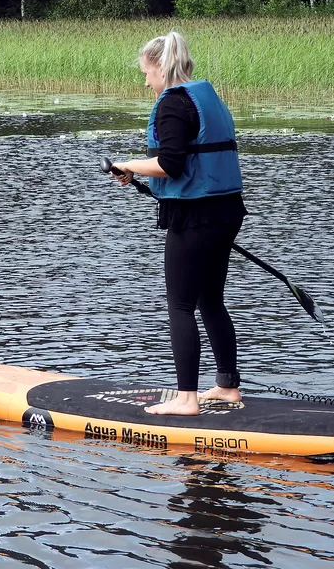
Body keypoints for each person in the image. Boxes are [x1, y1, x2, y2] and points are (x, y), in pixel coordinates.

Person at [110, 31, 247, 416]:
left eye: (146, 73)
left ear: (160, 67)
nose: (146, 81)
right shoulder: (206, 97)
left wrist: (128, 165)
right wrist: (137, 171)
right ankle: (227, 387)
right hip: (226, 210)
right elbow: (185, 161)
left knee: (180, 304)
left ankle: (186, 399)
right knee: (210, 299)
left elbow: (170, 165)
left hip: (196, 216)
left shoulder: (172, 104)